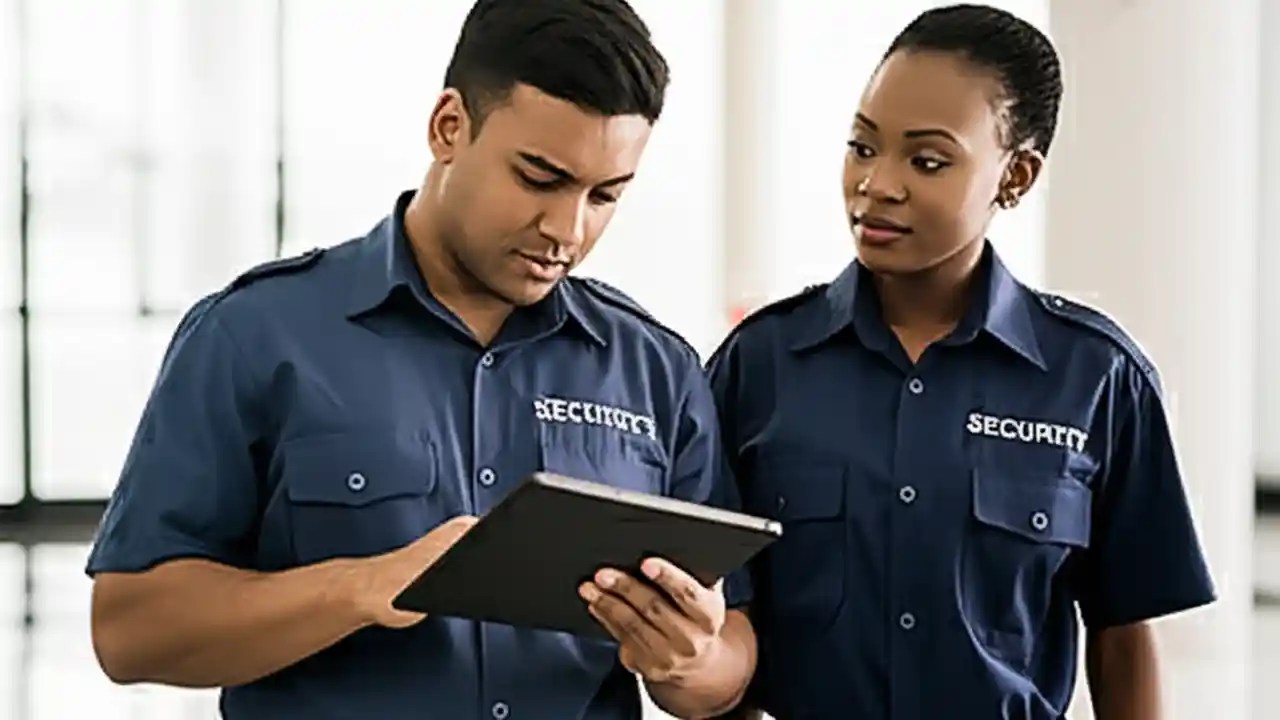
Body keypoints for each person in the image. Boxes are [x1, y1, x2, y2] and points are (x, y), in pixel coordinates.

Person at [85, 1, 757, 718]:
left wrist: (691, 660)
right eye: (538, 177)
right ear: (448, 127)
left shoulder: (657, 370)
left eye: (605, 196)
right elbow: (129, 631)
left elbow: (731, 655)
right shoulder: (253, 337)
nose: (566, 229)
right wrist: (362, 588)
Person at [707, 5, 1215, 719]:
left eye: (927, 160)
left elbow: (1124, 634)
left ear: (1016, 176)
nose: (878, 184)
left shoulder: (1097, 379)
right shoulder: (759, 366)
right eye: (862, 146)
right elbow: (719, 626)